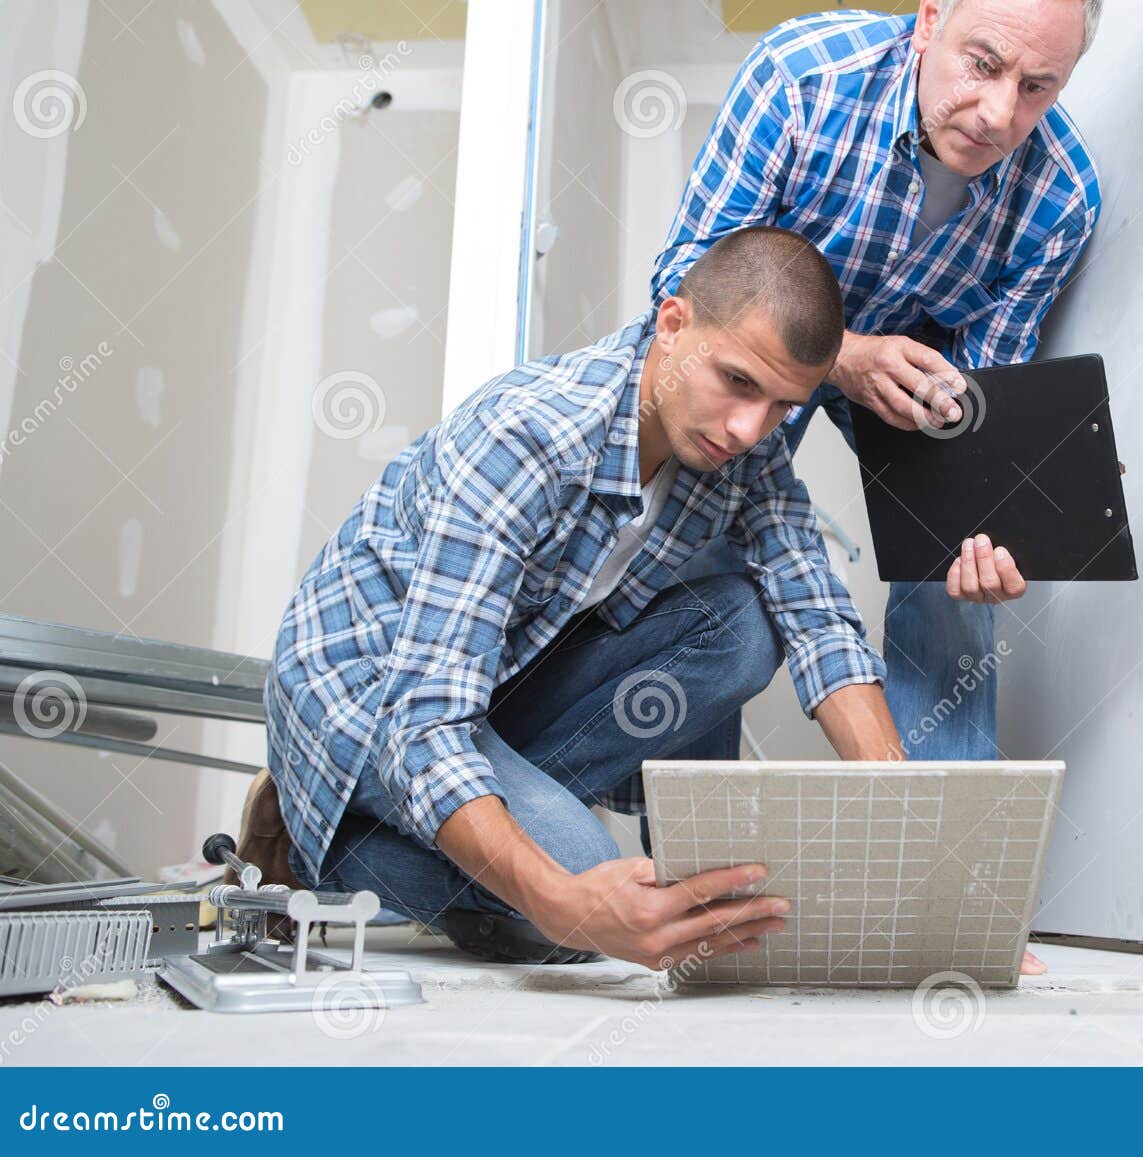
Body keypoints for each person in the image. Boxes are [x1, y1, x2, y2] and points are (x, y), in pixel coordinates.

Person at [253, 227, 907, 969]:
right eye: (738, 381)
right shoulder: (526, 439)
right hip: (368, 700)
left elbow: (817, 620)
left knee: (744, 625)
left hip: (490, 688)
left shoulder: (741, 454)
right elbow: (425, 726)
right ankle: (322, 843)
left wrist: (912, 826)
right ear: (673, 324)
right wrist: (565, 906)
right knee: (575, 894)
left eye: (783, 407)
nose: (748, 429)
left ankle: (503, 842)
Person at [655, 0, 1102, 760]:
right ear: (929, 20)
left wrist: (984, 515)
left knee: (953, 557)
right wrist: (843, 357)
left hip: (919, 379)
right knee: (698, 527)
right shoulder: (800, 79)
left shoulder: (1063, 199)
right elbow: (685, 287)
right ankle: (699, 851)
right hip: (765, 341)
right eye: (984, 64)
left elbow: (983, 405)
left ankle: (934, 844)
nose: (998, 113)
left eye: (1037, 88)